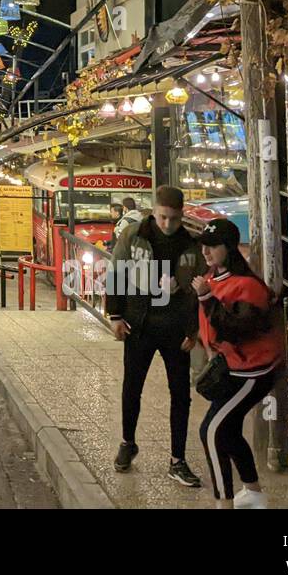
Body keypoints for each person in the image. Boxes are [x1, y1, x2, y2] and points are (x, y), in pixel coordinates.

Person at [105, 185, 206, 488]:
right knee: (132, 386)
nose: (168, 224)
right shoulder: (134, 235)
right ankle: (127, 442)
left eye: (174, 219)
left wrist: (194, 330)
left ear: (181, 215)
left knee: (181, 394)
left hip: (175, 329)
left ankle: (178, 459)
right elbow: (116, 274)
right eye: (163, 217)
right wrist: (116, 316)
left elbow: (197, 292)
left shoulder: (190, 244)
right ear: (154, 211)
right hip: (139, 323)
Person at [194, 218, 285, 509]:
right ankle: (255, 493)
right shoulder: (213, 278)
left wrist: (206, 299)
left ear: (229, 248)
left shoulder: (247, 286)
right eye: (204, 246)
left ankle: (225, 504)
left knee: (212, 431)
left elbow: (237, 329)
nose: (206, 252)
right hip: (234, 368)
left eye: (213, 246)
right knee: (228, 430)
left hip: (252, 372)